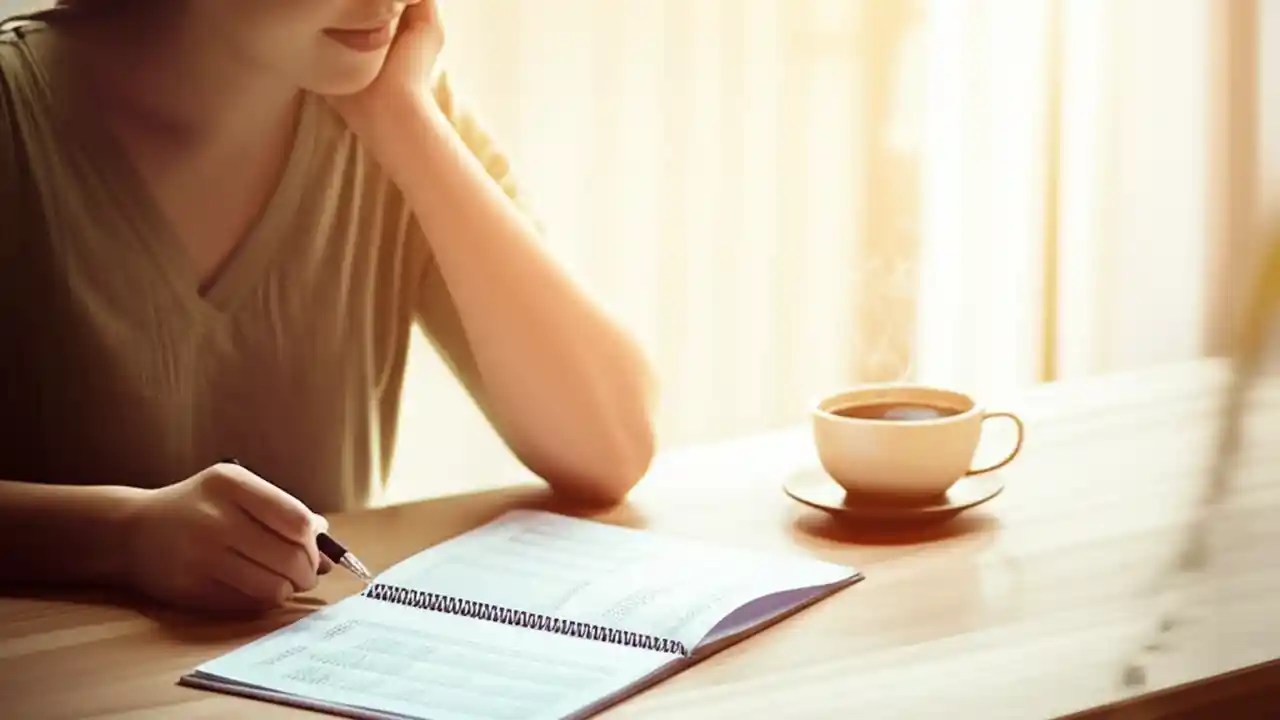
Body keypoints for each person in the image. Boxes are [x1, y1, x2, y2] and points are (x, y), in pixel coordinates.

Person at [0, 0, 657, 612]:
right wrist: (122, 537)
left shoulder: (386, 97)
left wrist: (401, 118)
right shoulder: (17, 110)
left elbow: (608, 449)